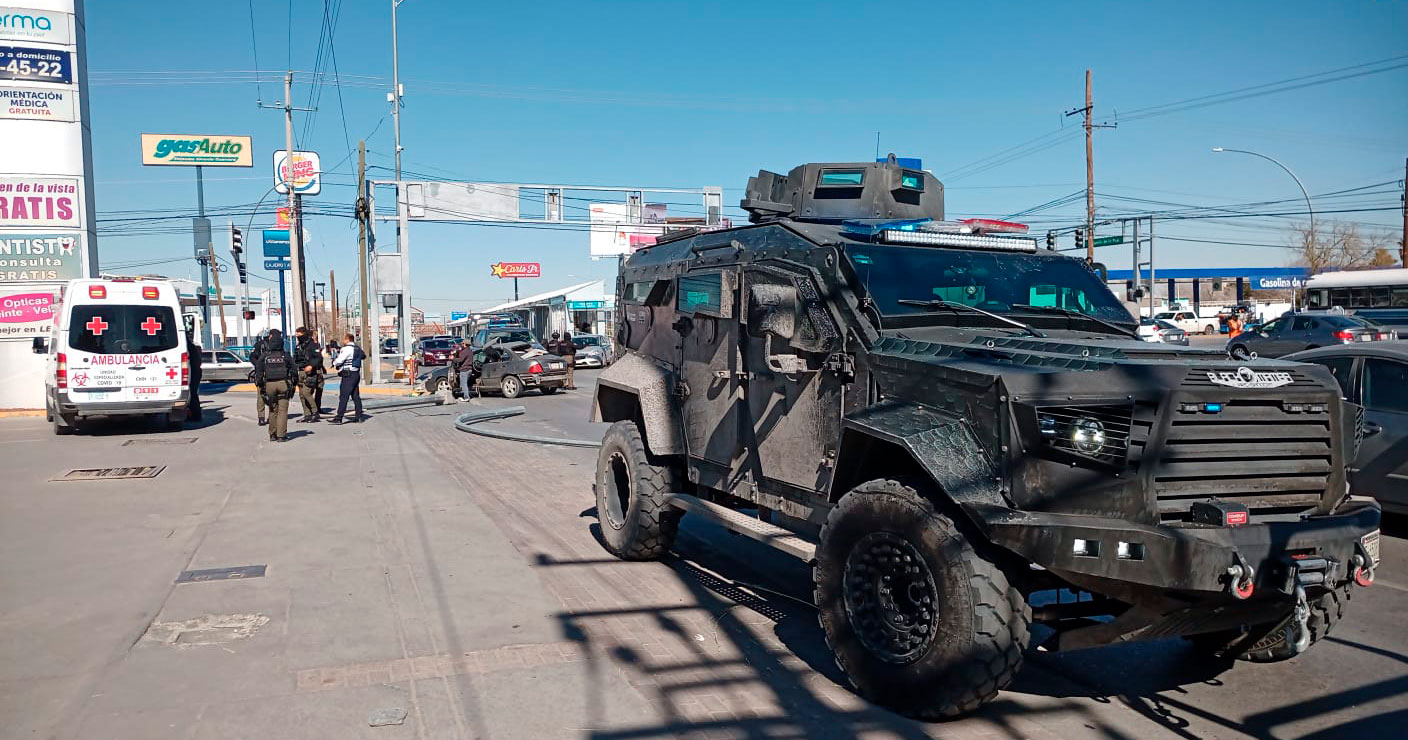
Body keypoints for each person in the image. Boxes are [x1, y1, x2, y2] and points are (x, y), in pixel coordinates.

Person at [253, 329, 293, 442]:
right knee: (282, 411)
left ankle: (272, 434)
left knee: (272, 409)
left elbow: (259, 371)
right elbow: (294, 370)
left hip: (269, 384)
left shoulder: (265, 356)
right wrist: (293, 385)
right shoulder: (285, 356)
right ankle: (281, 435)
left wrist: (261, 386)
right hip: (283, 384)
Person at [329, 333, 365, 424]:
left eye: (344, 339)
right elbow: (363, 356)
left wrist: (334, 362)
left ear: (347, 339)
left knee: (344, 396)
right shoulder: (357, 348)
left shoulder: (346, 349)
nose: (343, 341)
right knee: (355, 396)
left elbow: (340, 360)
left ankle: (339, 417)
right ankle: (359, 416)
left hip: (348, 375)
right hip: (356, 374)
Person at [293, 326, 324, 422]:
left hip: (310, 372)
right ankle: (307, 414)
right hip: (300, 371)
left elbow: (319, 358)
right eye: (296, 335)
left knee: (307, 392)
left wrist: (311, 365)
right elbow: (295, 359)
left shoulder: (312, 345)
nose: (298, 337)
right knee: (302, 395)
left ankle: (315, 412)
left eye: (299, 335)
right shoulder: (299, 346)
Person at [249, 329, 269, 425]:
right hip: (265, 374)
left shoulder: (258, 345)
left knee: (261, 396)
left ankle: (262, 417)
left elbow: (252, 357)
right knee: (267, 395)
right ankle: (264, 417)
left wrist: (258, 365)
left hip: (263, 374)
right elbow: (252, 357)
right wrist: (259, 365)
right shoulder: (259, 345)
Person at [186, 330, 203, 422]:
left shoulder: (190, 348)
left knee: (192, 394)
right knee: (193, 394)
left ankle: (195, 415)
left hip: (193, 373)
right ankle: (195, 414)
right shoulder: (192, 347)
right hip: (195, 372)